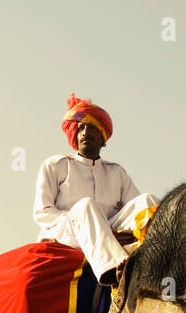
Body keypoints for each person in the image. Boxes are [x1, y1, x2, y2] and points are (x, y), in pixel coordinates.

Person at [33, 94, 156, 285]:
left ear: (103, 138)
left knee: (147, 200)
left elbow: (137, 209)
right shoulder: (56, 164)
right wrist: (91, 225)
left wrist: (103, 228)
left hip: (108, 226)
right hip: (67, 230)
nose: (85, 132)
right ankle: (115, 268)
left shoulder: (116, 172)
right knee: (86, 206)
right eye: (80, 127)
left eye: (91, 127)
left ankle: (162, 256)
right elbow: (42, 213)